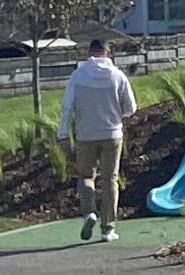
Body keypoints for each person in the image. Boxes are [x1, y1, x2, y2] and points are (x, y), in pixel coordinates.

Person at [58, 40, 138, 239]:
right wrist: (117, 113)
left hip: (86, 135)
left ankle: (89, 212)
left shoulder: (77, 76)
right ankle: (108, 228)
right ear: (107, 53)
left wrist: (62, 133)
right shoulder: (117, 76)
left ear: (89, 53)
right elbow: (130, 108)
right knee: (110, 179)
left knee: (86, 176)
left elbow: (67, 106)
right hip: (112, 134)